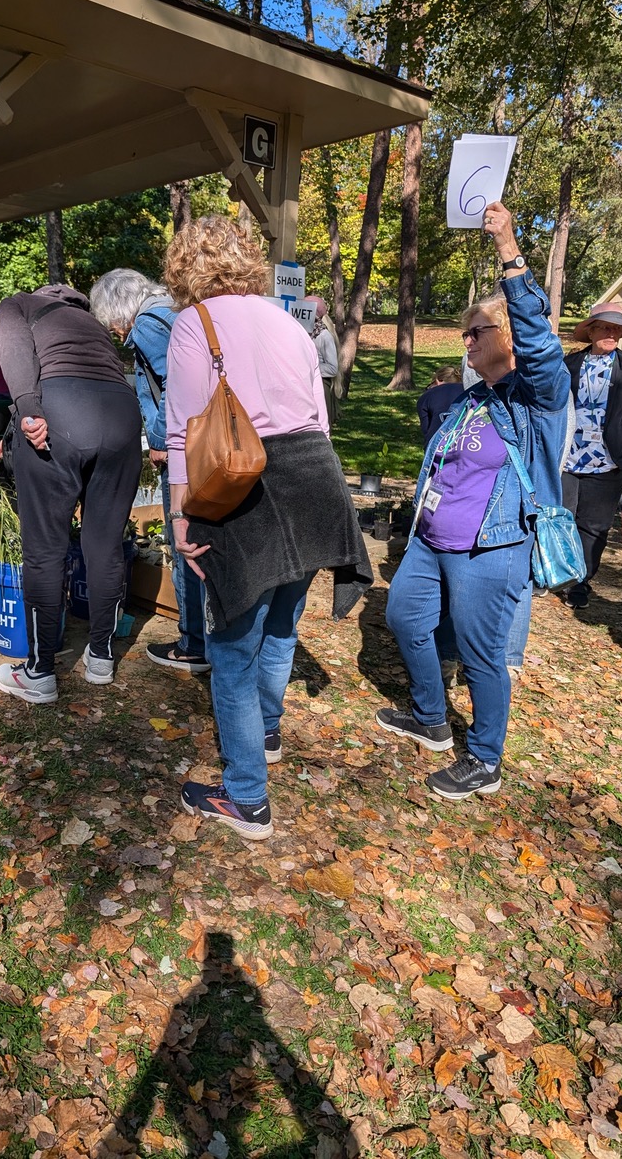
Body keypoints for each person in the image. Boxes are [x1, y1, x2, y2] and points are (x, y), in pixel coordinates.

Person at [164, 216, 373, 840]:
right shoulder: (291, 322)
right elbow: (320, 419)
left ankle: (247, 797)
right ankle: (268, 728)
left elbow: (184, 431)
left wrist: (181, 514)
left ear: (185, 266)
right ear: (249, 260)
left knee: (231, 644)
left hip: (246, 479)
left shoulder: (192, 324)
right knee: (281, 621)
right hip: (317, 479)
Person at [376, 202, 569, 801]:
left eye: (474, 331)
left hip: (491, 547)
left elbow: (539, 343)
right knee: (403, 617)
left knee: (483, 654)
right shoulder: (469, 399)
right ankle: (432, 717)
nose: (464, 340)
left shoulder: (536, 399)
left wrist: (509, 249)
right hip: (431, 541)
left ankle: (484, 758)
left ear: (505, 337)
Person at [0, 283, 141, 703]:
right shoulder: (93, 324)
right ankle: (100, 658)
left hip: (58, 413)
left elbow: (14, 348)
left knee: (44, 549)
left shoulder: (19, 304)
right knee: (106, 544)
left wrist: (27, 408)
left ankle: (39, 673)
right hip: (121, 416)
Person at [88, 269, 209, 673]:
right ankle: (213, 635)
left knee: (183, 539)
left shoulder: (148, 324)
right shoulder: (177, 311)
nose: (113, 329)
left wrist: (158, 439)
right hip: (206, 443)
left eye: (109, 318)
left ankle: (194, 644)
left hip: (182, 448)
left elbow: (177, 387)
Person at [561, 305, 622, 608]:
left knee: (595, 525)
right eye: (605, 328)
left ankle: (580, 582)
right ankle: (554, 573)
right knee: (562, 516)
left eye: (617, 330)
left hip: (608, 461)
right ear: (591, 331)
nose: (612, 334)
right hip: (567, 458)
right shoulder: (570, 364)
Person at [309, 296, 340, 429]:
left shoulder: (323, 335)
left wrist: (311, 368)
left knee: (322, 425)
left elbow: (333, 368)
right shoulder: (303, 332)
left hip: (321, 385)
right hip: (306, 384)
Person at [417, 365, 464, 446]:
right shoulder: (469, 391)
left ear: (438, 380)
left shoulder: (427, 396)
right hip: (468, 442)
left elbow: (426, 430)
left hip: (438, 446)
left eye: (431, 384)